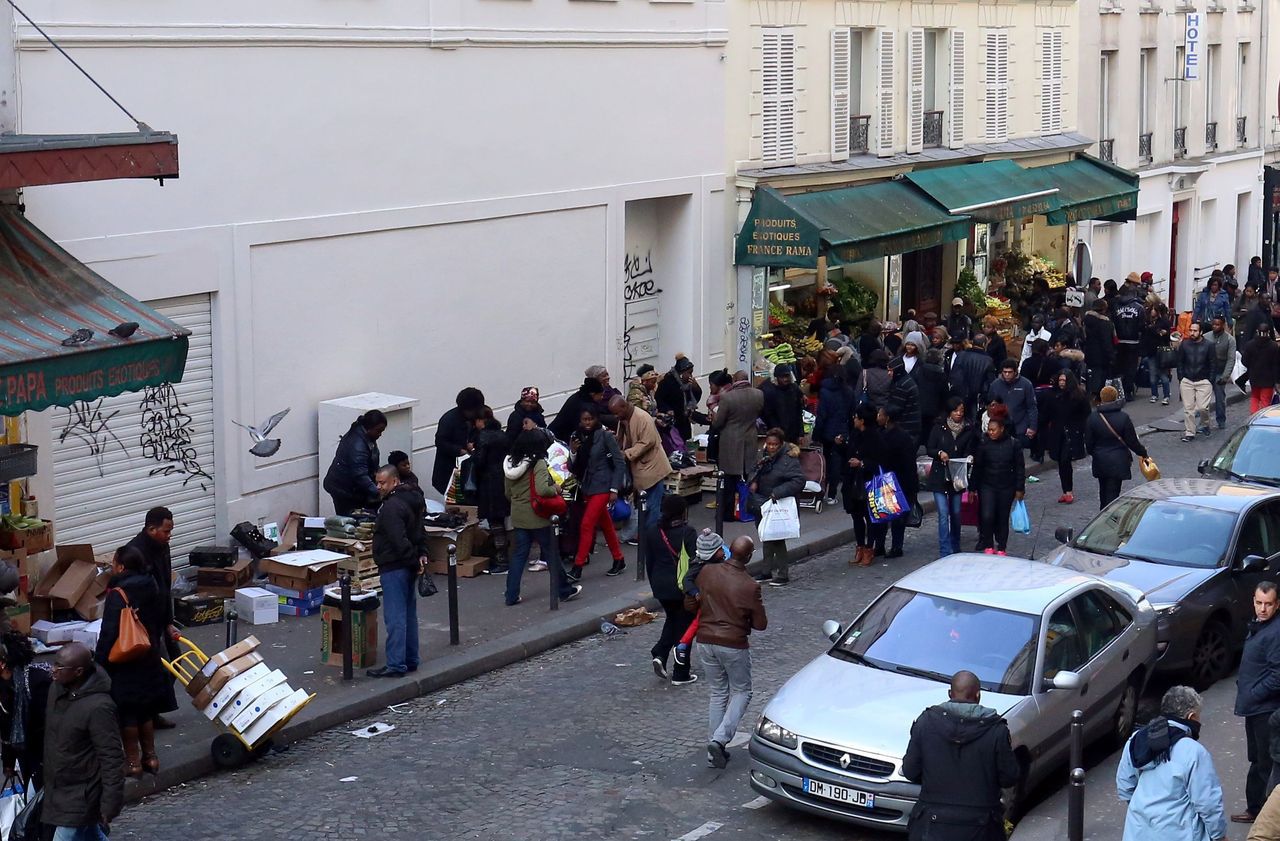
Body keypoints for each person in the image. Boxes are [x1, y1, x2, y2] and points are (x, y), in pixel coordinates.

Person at [902, 670, 1019, 841]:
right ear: (978, 695)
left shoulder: (926, 722)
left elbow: (910, 771)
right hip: (983, 826)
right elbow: (1009, 777)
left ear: (950, 693)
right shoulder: (996, 730)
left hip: (930, 824)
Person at [688, 535, 767, 768]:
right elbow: (761, 624)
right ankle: (720, 740)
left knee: (718, 692)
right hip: (733, 643)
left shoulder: (707, 573)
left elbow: (691, 601)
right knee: (742, 691)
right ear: (750, 556)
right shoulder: (750, 585)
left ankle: (714, 750)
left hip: (704, 639)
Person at [94, 545, 171, 776]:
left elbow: (109, 632)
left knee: (127, 711)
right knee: (145, 709)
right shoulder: (152, 585)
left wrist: (99, 662)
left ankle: (133, 762)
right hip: (148, 653)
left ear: (122, 566)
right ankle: (152, 758)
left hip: (125, 658)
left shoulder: (118, 594)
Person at [1117, 685, 1226, 841]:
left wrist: (1146, 808)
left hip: (1138, 830)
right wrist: (1219, 835)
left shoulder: (1136, 740)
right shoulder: (1193, 751)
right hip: (1179, 832)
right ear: (1191, 716)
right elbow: (1208, 802)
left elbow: (1124, 785)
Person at [43, 642, 124, 841]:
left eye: (59, 667)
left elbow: (111, 757)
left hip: (82, 793)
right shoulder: (57, 689)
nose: (53, 670)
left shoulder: (99, 708)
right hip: (60, 785)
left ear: (78, 671)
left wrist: (110, 803)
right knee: (91, 835)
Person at [502, 431, 583, 607]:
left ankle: (511, 595)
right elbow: (542, 490)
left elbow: (507, 493)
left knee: (518, 556)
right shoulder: (537, 462)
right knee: (551, 553)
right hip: (537, 515)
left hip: (518, 515)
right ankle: (564, 590)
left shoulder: (510, 462)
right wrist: (556, 489)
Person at [366, 465, 428, 677]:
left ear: (394, 482)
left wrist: (411, 558)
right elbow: (420, 530)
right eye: (377, 482)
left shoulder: (392, 507)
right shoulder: (414, 499)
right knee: (409, 614)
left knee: (395, 617)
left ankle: (395, 664)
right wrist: (420, 555)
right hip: (408, 565)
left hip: (394, 565)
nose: (378, 487)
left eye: (382, 483)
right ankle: (410, 659)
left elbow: (397, 539)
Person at [124, 507, 179, 725]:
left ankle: (154, 711)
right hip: (145, 621)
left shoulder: (162, 547)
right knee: (159, 667)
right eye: (166, 531)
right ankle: (149, 715)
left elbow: (165, 584)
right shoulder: (135, 552)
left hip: (161, 617)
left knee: (173, 663)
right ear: (151, 529)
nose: (169, 536)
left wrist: (168, 621)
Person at [1235, 583, 1280, 823]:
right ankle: (1255, 809)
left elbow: (1277, 676)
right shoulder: (1260, 625)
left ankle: (1264, 815)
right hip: (1255, 708)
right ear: (1253, 600)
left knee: (1265, 764)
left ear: (1277, 604)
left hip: (1265, 710)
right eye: (1259, 603)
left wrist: (1253, 693)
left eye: (1268, 604)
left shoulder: (1275, 633)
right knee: (1257, 759)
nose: (1262, 609)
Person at [645, 495, 699, 685]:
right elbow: (695, 562)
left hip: (661, 586)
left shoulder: (653, 531)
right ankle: (680, 673)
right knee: (684, 628)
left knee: (674, 619)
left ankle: (660, 653)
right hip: (682, 586)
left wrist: (655, 586)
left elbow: (649, 562)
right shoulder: (688, 532)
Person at [567, 407, 627, 580]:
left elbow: (619, 463)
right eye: (584, 420)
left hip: (603, 485)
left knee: (586, 524)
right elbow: (572, 467)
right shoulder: (576, 436)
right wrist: (573, 452)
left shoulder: (605, 436)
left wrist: (614, 488)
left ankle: (578, 566)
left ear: (595, 419)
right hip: (587, 486)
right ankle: (618, 559)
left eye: (590, 419)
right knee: (606, 525)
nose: (587, 423)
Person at [746, 429, 805, 586]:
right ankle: (766, 571)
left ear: (781, 444)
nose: (771, 447)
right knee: (766, 535)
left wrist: (778, 492)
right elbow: (753, 470)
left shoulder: (789, 459)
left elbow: (799, 480)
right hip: (763, 501)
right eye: (769, 444)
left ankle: (782, 573)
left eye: (775, 445)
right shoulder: (763, 455)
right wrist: (754, 480)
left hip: (778, 502)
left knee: (777, 539)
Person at [608, 395, 672, 531]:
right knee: (644, 506)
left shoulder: (643, 418)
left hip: (652, 468)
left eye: (616, 412)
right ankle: (646, 535)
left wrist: (626, 453)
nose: (615, 416)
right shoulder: (623, 418)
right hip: (639, 469)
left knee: (652, 507)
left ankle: (650, 535)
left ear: (624, 407)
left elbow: (647, 442)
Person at [1084, 385, 1149, 510]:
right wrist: (1143, 453)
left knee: (1103, 491)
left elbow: (1089, 443)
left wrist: (1096, 453)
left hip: (1100, 460)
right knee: (1113, 494)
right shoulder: (1123, 417)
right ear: (1115, 397)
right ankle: (1109, 519)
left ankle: (1102, 515)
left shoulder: (1093, 418)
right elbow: (1132, 442)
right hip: (1118, 460)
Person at [927, 398, 977, 557]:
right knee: (943, 513)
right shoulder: (939, 427)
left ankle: (955, 544)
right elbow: (930, 448)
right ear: (950, 412)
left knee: (955, 512)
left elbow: (970, 449)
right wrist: (939, 453)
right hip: (940, 475)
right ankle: (944, 549)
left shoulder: (968, 428)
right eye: (956, 411)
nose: (959, 414)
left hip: (957, 476)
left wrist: (969, 457)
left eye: (961, 411)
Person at [0, 629, 50, 788]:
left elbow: (48, 723)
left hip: (45, 750)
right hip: (24, 751)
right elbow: (5, 724)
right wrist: (8, 763)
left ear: (2, 663)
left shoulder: (38, 681)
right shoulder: (2, 685)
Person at [713, 370, 766, 517]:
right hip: (750, 437)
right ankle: (747, 509)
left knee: (729, 478)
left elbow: (719, 422)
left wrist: (714, 418)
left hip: (730, 440)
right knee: (748, 474)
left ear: (735, 380)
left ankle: (727, 514)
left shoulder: (727, 398)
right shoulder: (758, 394)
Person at [971, 414, 1024, 554]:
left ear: (1002, 429)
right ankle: (988, 543)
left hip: (1006, 486)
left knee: (1002, 516)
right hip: (987, 485)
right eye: (989, 429)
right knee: (987, 515)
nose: (991, 432)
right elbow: (978, 467)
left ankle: (1001, 546)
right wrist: (972, 488)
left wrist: (1020, 488)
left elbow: (1019, 467)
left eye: (993, 430)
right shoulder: (984, 444)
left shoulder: (1013, 444)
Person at [468, 410, 511, 574]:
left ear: (481, 420)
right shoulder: (502, 434)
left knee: (495, 522)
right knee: (501, 520)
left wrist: (472, 451)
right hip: (503, 480)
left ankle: (501, 560)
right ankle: (503, 556)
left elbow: (479, 461)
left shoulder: (483, 436)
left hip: (489, 483)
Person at [839, 404, 883, 566]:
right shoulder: (855, 434)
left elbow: (878, 460)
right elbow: (849, 454)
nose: (853, 419)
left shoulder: (874, 437)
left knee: (869, 516)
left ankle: (869, 549)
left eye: (856, 417)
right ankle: (859, 547)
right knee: (856, 516)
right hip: (853, 481)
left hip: (867, 482)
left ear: (862, 420)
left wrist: (862, 463)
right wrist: (842, 446)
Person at [873, 406, 919, 559]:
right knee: (889, 517)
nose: (877, 417)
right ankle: (889, 546)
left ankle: (892, 546)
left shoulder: (894, 437)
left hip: (895, 482)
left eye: (880, 414)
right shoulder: (899, 436)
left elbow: (907, 463)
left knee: (891, 517)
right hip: (894, 481)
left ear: (887, 418)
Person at [1041, 370, 1090, 505]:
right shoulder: (1052, 395)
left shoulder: (1078, 396)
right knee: (1061, 462)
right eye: (1060, 380)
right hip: (1058, 434)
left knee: (1065, 460)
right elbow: (1046, 414)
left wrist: (1081, 429)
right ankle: (1066, 490)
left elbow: (1086, 414)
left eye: (1064, 381)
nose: (1062, 383)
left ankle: (1068, 491)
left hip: (1072, 433)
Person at [324, 410, 387, 513]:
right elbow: (360, 475)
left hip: (349, 486)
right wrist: (378, 492)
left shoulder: (363, 434)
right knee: (350, 518)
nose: (380, 434)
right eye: (378, 431)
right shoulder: (358, 445)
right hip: (344, 489)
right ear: (369, 428)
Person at [815, 360, 856, 504]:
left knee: (824, 462)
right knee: (836, 463)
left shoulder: (824, 392)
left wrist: (817, 434)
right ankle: (831, 494)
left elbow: (821, 415)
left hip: (827, 431)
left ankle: (820, 491)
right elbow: (851, 413)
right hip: (842, 431)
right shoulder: (848, 391)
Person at [432, 389, 485, 496]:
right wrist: (459, 450)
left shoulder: (479, 417)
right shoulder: (448, 420)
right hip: (450, 470)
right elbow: (440, 442)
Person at [987, 358, 1038, 447]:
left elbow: (1032, 407)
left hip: (1020, 427)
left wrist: (1032, 426)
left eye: (1009, 372)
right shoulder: (995, 385)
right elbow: (990, 405)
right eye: (1004, 372)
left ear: (1015, 372)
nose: (1007, 374)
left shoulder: (1026, 384)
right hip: (1001, 426)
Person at [1177, 322, 1215, 442]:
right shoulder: (1185, 344)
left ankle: (1205, 424)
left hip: (1203, 380)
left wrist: (1210, 380)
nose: (1192, 333)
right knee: (1188, 409)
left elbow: (1213, 363)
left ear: (1201, 332)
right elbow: (1180, 362)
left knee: (1203, 408)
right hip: (1187, 380)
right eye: (1191, 330)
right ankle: (1190, 432)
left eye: (1195, 331)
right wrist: (1181, 377)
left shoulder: (1209, 345)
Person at [656, 354, 704, 444]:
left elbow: (695, 398)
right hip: (672, 423)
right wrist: (667, 409)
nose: (691, 376)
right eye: (689, 373)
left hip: (684, 421)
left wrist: (696, 388)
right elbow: (659, 399)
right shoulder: (667, 382)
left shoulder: (689, 384)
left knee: (687, 444)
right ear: (681, 373)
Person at [549, 377, 607, 442]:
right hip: (560, 437)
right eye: (601, 395)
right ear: (593, 394)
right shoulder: (584, 405)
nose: (602, 397)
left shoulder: (578, 397)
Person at [759, 364, 804, 444]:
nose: (785, 379)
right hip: (777, 434)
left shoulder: (794, 388)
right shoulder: (769, 391)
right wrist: (777, 431)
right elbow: (768, 414)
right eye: (782, 377)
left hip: (793, 433)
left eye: (787, 376)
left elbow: (798, 411)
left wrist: (801, 433)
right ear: (776, 377)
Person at [1207, 316, 1237, 432]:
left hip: (1220, 371)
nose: (1215, 326)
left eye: (1218, 324)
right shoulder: (1207, 337)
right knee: (1203, 399)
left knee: (1220, 398)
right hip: (1207, 371)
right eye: (1213, 324)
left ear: (1223, 325)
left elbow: (1231, 359)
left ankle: (1221, 420)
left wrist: (1225, 376)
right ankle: (1202, 422)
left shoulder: (1230, 340)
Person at [1083, 299, 1118, 399]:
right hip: (1101, 356)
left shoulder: (1085, 320)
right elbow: (1106, 342)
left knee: (1091, 375)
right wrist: (1112, 356)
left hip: (1089, 353)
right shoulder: (1105, 323)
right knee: (1100, 377)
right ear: (1103, 309)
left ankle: (1091, 393)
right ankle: (1098, 396)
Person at [886, 354, 923, 444]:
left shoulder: (901, 385)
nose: (888, 373)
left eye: (891, 370)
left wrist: (883, 412)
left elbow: (894, 408)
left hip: (906, 428)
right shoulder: (904, 380)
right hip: (910, 427)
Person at [1143, 303, 1175, 406]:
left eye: (1154, 309)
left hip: (1161, 352)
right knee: (1152, 374)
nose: (1152, 311)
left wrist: (1155, 330)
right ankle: (1154, 394)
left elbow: (1164, 334)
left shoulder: (1164, 322)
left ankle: (1166, 396)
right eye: (1151, 309)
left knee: (1162, 374)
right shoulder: (1148, 321)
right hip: (1151, 351)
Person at [1244, 324, 1280, 412]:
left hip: (1254, 377)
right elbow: (1276, 365)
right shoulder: (1273, 346)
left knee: (1254, 398)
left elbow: (1244, 361)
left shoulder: (1249, 345)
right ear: (1268, 332)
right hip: (1268, 379)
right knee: (1265, 401)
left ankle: (1253, 416)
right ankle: (1263, 420)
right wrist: (1277, 381)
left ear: (1257, 331)